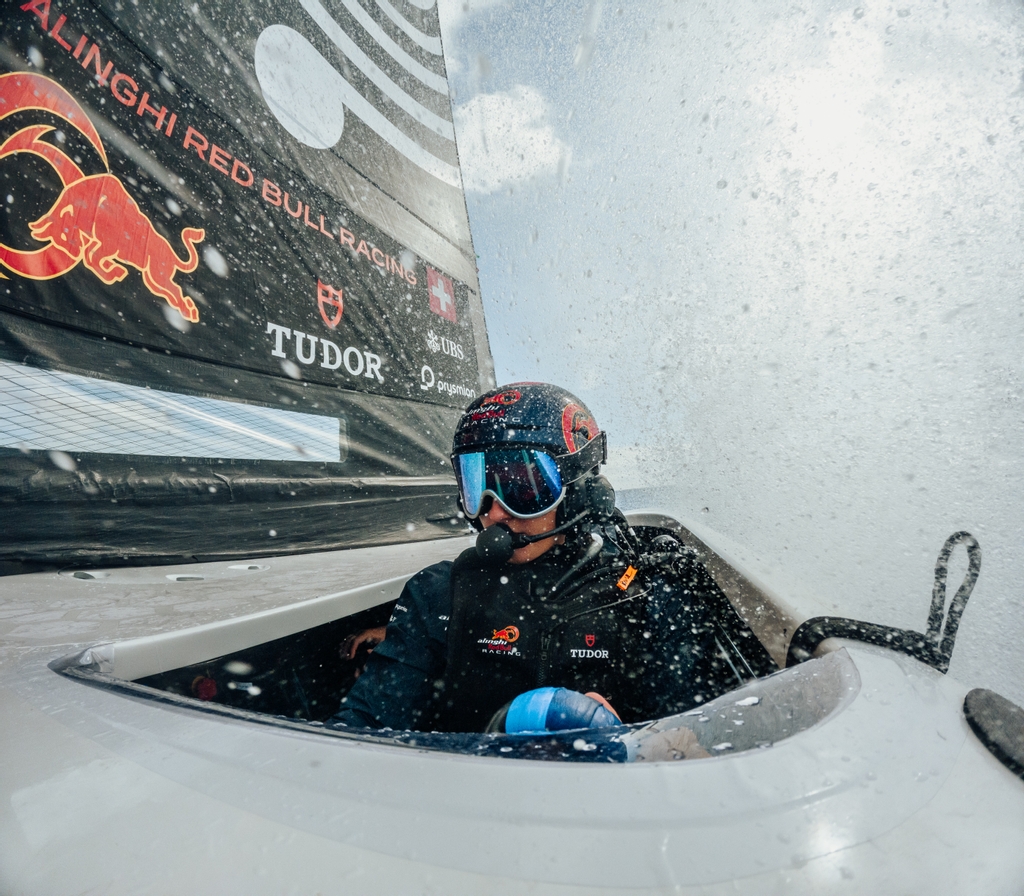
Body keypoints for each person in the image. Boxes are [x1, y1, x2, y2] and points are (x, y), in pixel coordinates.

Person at [332, 383, 729, 734]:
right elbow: (362, 733)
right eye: (478, 486)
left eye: (520, 485)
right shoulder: (439, 592)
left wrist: (632, 742)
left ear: (575, 489)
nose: (494, 512)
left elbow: (692, 745)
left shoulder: (645, 593)